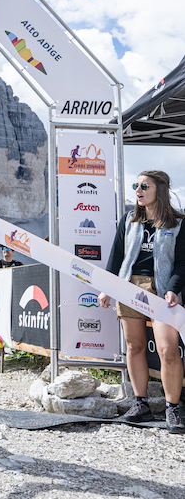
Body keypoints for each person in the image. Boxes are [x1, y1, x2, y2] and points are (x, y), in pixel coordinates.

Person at [98, 170, 185, 433]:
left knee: (168, 350)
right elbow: (115, 259)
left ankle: (173, 408)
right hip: (129, 288)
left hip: (160, 292)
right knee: (134, 346)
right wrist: (107, 288)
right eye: (136, 185)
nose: (138, 189)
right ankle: (141, 403)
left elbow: (182, 263)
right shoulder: (129, 220)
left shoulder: (178, 223)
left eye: (144, 185)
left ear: (160, 189)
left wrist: (173, 290)